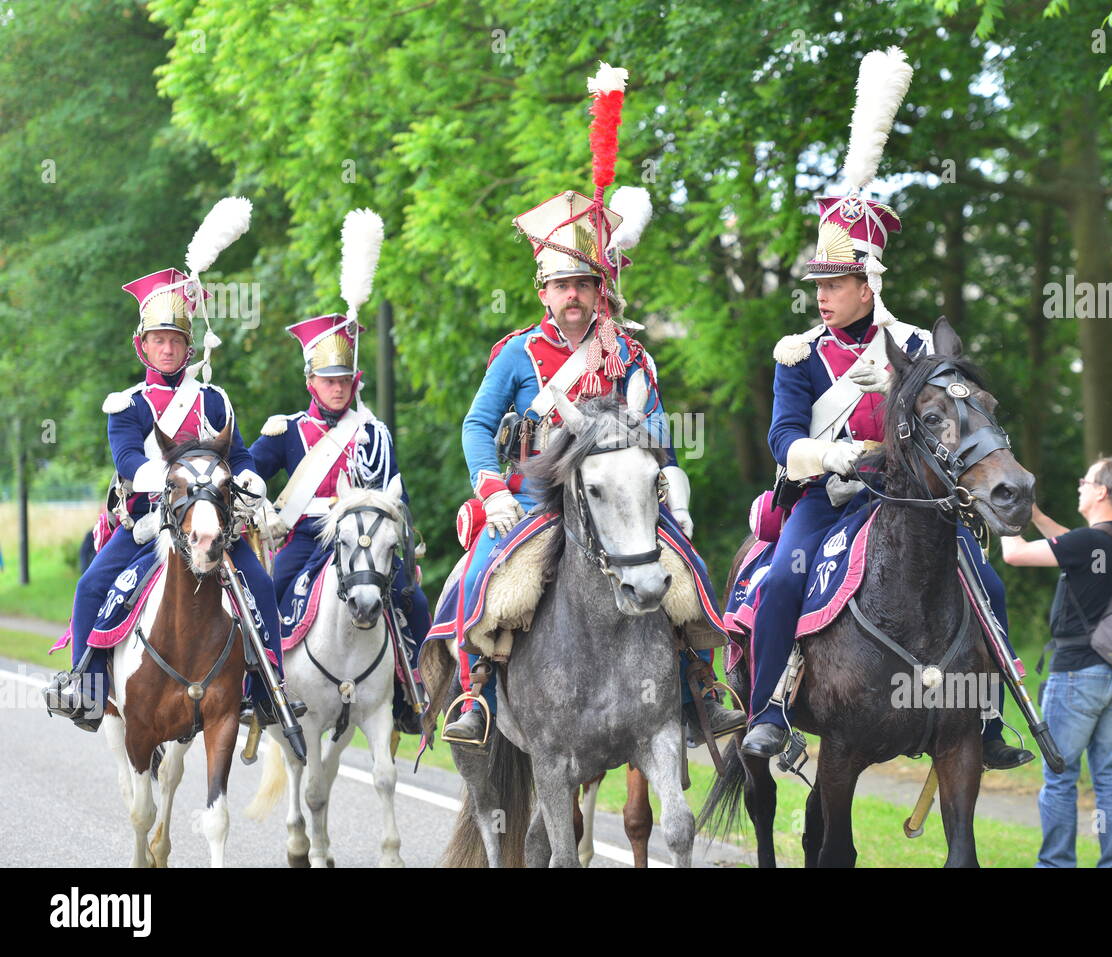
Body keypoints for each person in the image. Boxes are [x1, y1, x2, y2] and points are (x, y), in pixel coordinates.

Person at [740, 46, 1030, 769]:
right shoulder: (799, 355)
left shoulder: (913, 346)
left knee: (986, 579)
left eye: (835, 280)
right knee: (782, 578)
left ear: (867, 282)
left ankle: (986, 722)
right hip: (829, 496)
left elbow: (951, 420)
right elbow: (783, 440)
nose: (820, 292)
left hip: (905, 498)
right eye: (818, 280)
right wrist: (832, 453)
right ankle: (770, 707)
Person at [438, 62, 744, 746]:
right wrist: (492, 493)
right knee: (488, 579)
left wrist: (671, 490)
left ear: (599, 287)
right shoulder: (517, 354)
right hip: (535, 501)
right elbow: (478, 425)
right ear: (543, 292)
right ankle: (477, 695)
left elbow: (658, 432)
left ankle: (701, 686)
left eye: (584, 282)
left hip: (620, 498)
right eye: (561, 285)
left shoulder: (632, 355)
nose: (573, 295)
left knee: (686, 577)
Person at [43, 207, 294, 731]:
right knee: (92, 586)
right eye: (159, 340)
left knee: (261, 588)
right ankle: (84, 687)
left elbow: (241, 456)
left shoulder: (214, 399)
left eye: (177, 341)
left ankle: (270, 688)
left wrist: (247, 479)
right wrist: (170, 479)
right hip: (150, 523)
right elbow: (129, 462)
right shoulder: (126, 404)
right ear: (143, 347)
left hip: (213, 525)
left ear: (186, 347)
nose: (168, 348)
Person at [250, 305, 431, 735]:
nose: (337, 388)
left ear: (355, 381)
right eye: (328, 380)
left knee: (413, 599)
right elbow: (247, 473)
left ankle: (416, 692)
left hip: (366, 537)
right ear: (310, 381)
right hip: (306, 537)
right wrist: (263, 509)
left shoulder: (375, 432)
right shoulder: (287, 431)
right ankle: (259, 689)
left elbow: (396, 495)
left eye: (344, 380)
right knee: (269, 592)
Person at [1000, 454, 1112, 867]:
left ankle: (1056, 864)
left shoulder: (1089, 543)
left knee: (1060, 778)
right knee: (1110, 780)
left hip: (1078, 675)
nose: (1080, 484)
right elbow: (1070, 545)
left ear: (1101, 491)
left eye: (1087, 480)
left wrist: (1008, 518)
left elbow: (1016, 555)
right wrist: (1036, 515)